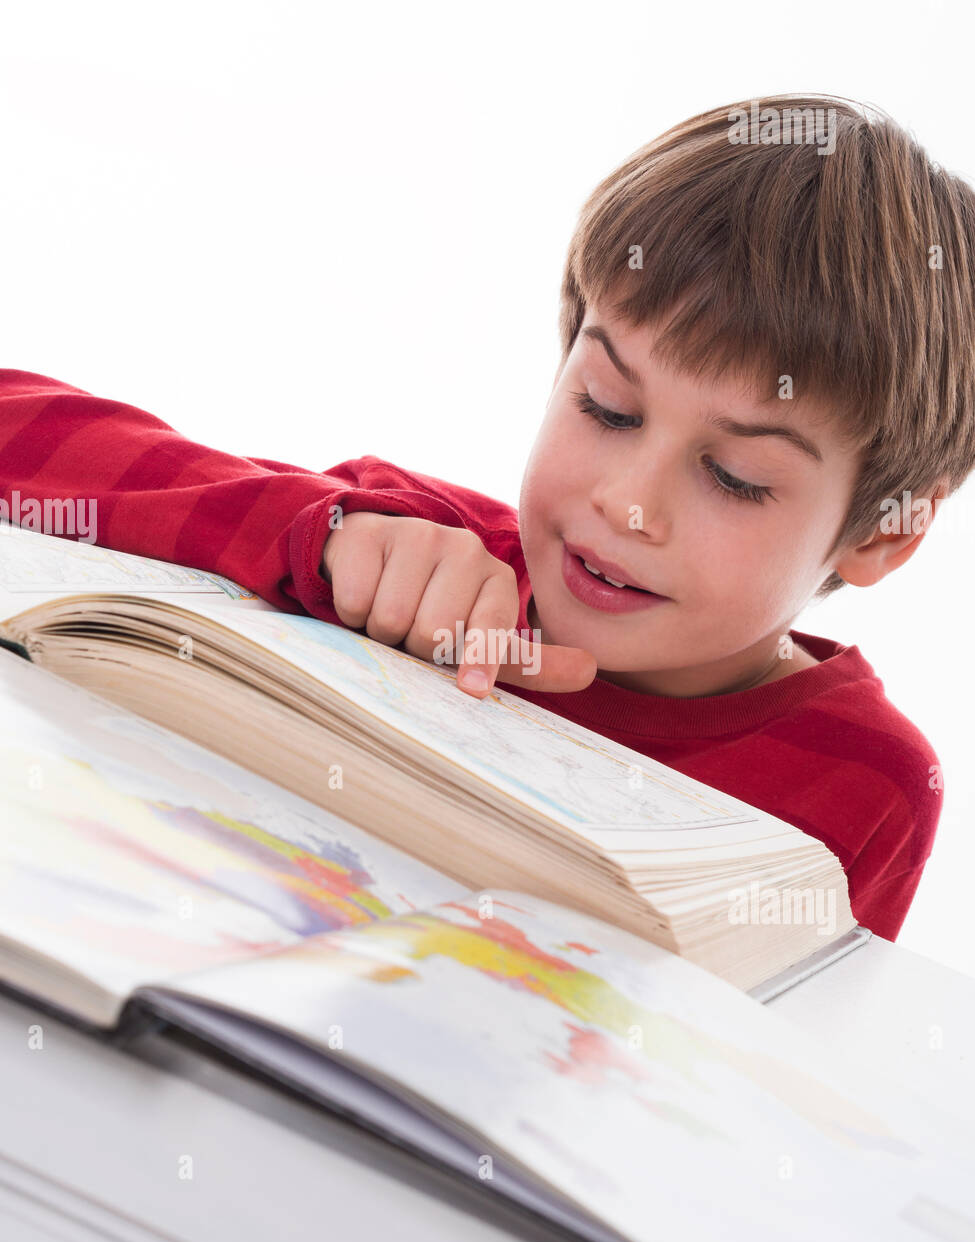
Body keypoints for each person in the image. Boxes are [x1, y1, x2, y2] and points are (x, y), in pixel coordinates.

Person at [1, 92, 969, 944]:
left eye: (733, 475)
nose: (625, 502)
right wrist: (315, 533)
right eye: (606, 407)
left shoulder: (871, 784)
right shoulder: (391, 542)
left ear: (881, 528)